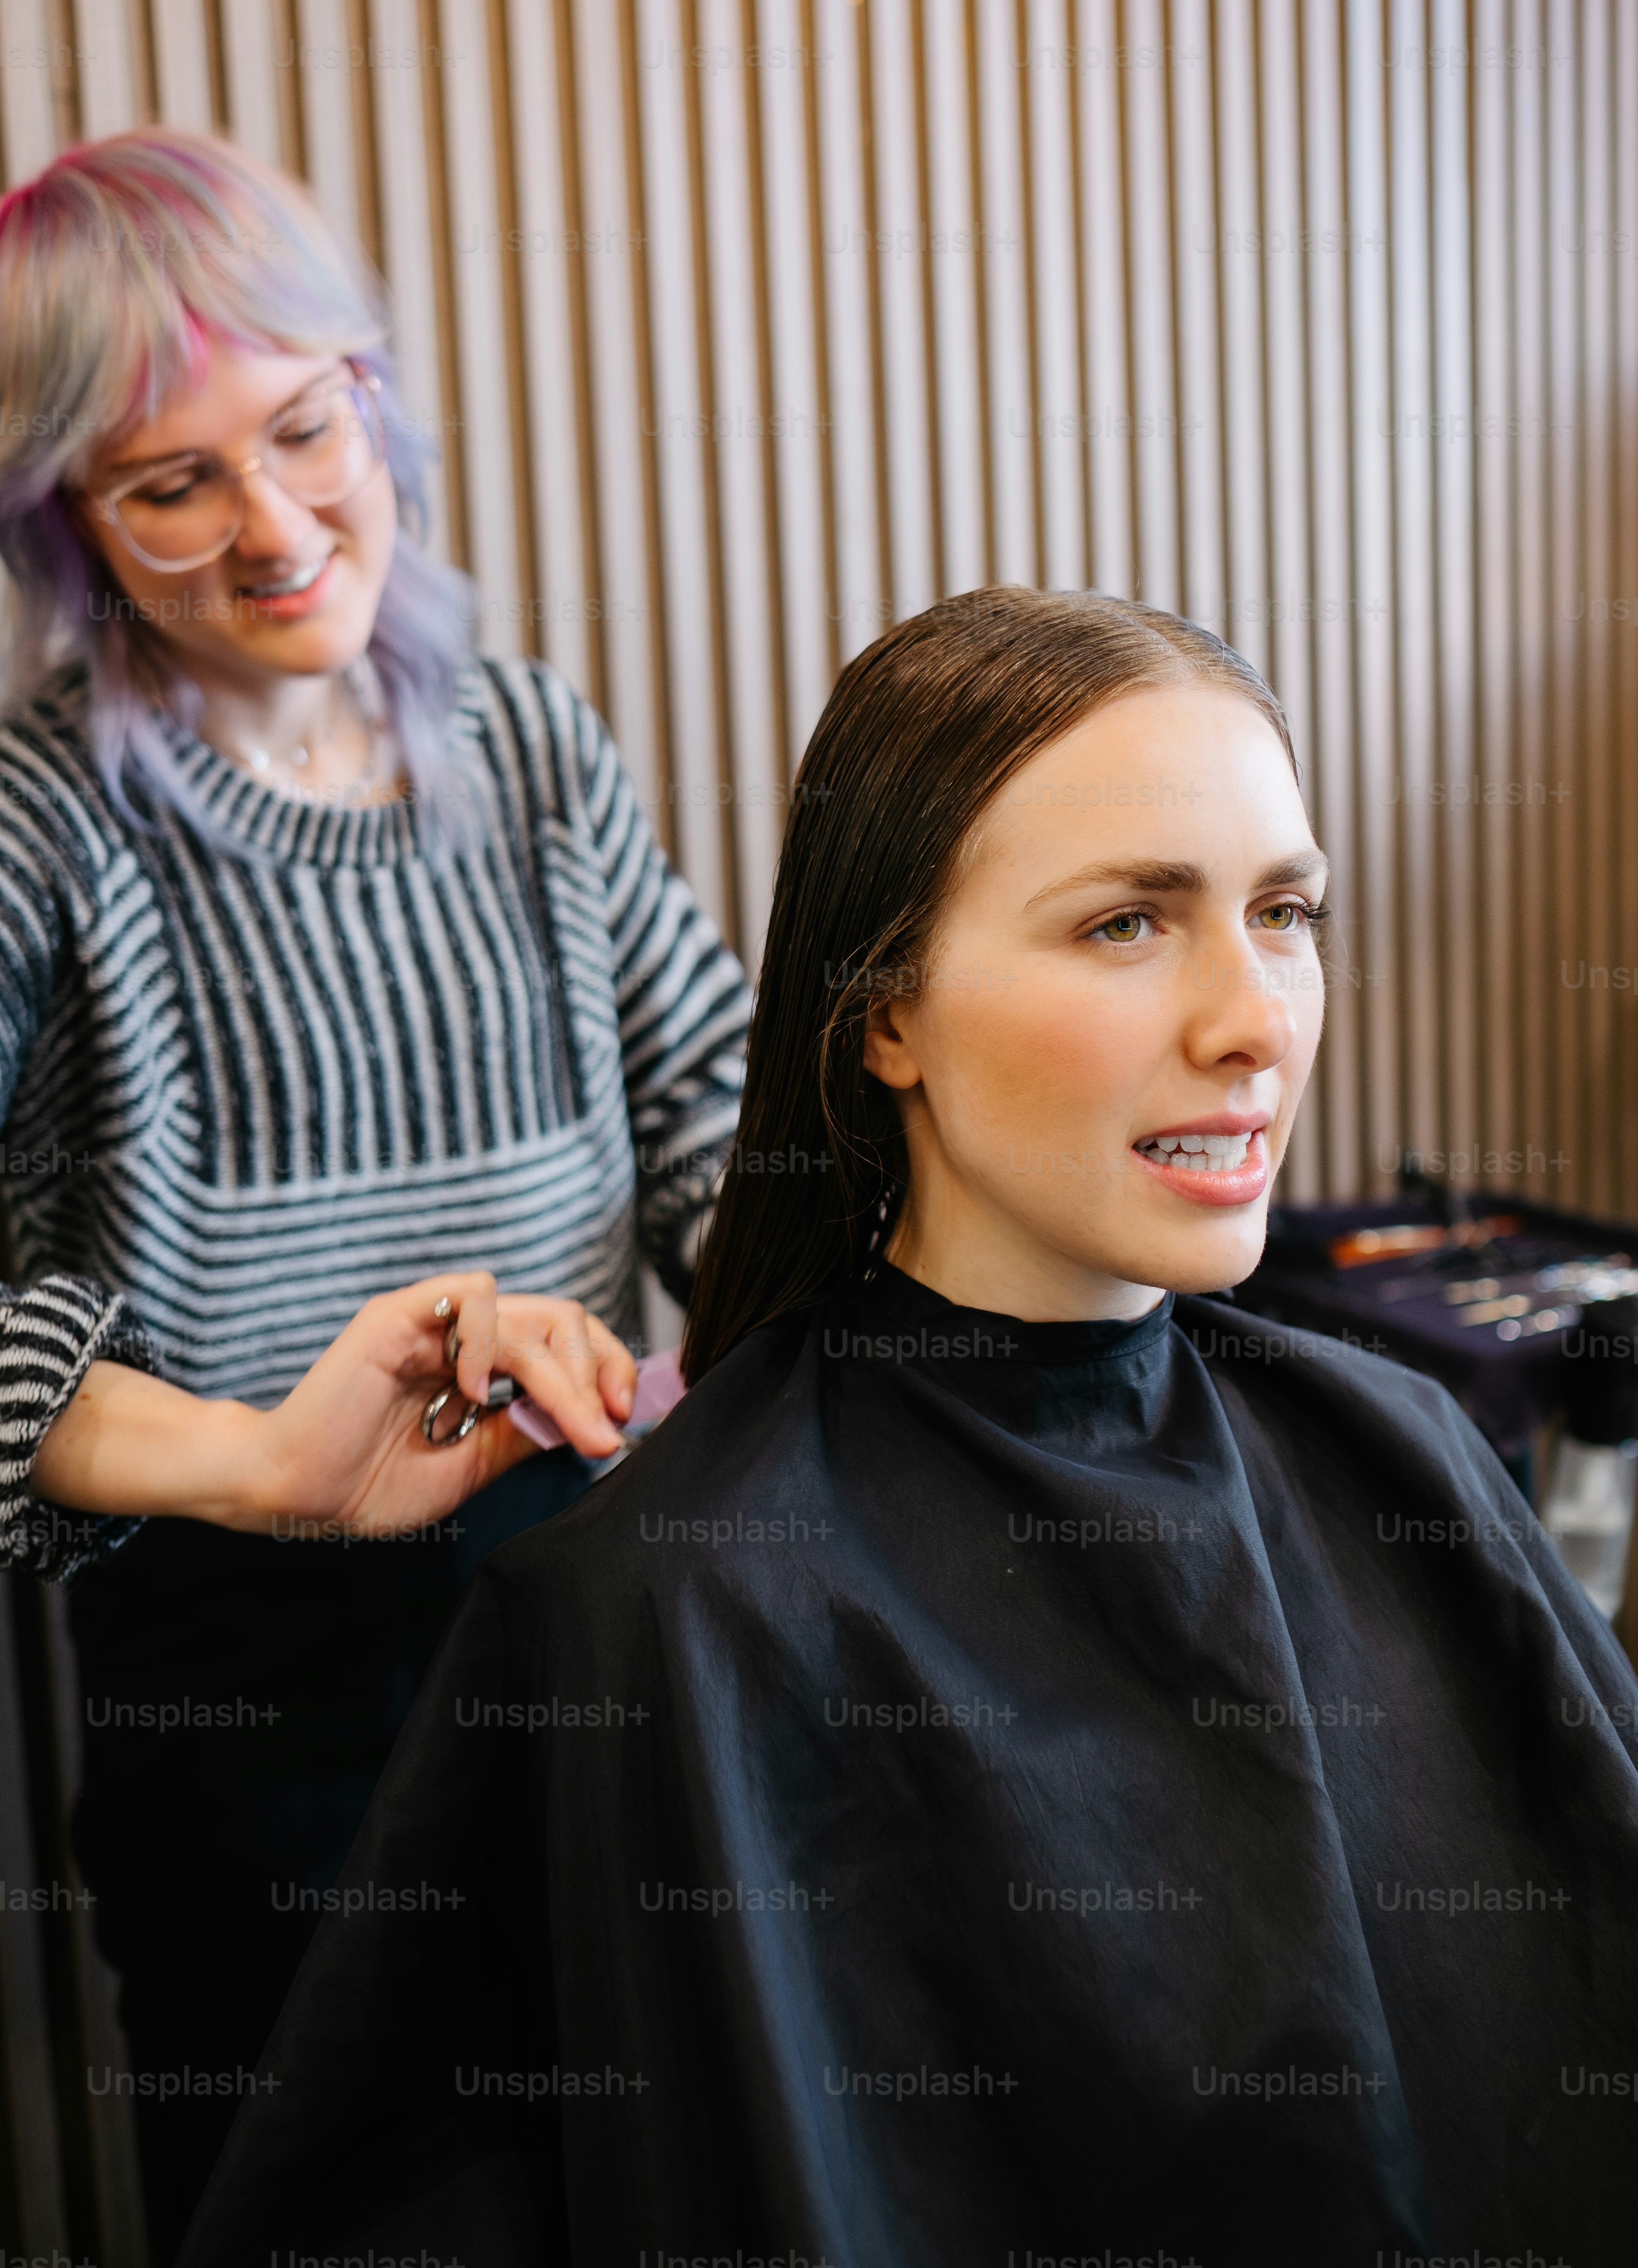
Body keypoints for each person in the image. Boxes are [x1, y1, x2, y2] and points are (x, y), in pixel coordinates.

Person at [183, 587, 1637, 2265]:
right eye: (1126, 924)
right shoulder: (664, 1607)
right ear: (886, 1017)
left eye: (1284, 910)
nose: (1254, 1020)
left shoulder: (1409, 1465)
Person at [0, 127, 751, 2261]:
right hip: (247, 1705)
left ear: (375, 398)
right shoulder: (42, 835)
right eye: (173, 484)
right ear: (69, 517)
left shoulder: (530, 748)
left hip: (594, 1619)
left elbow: (713, 1111)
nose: (274, 528)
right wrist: (260, 1460)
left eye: (307, 431)